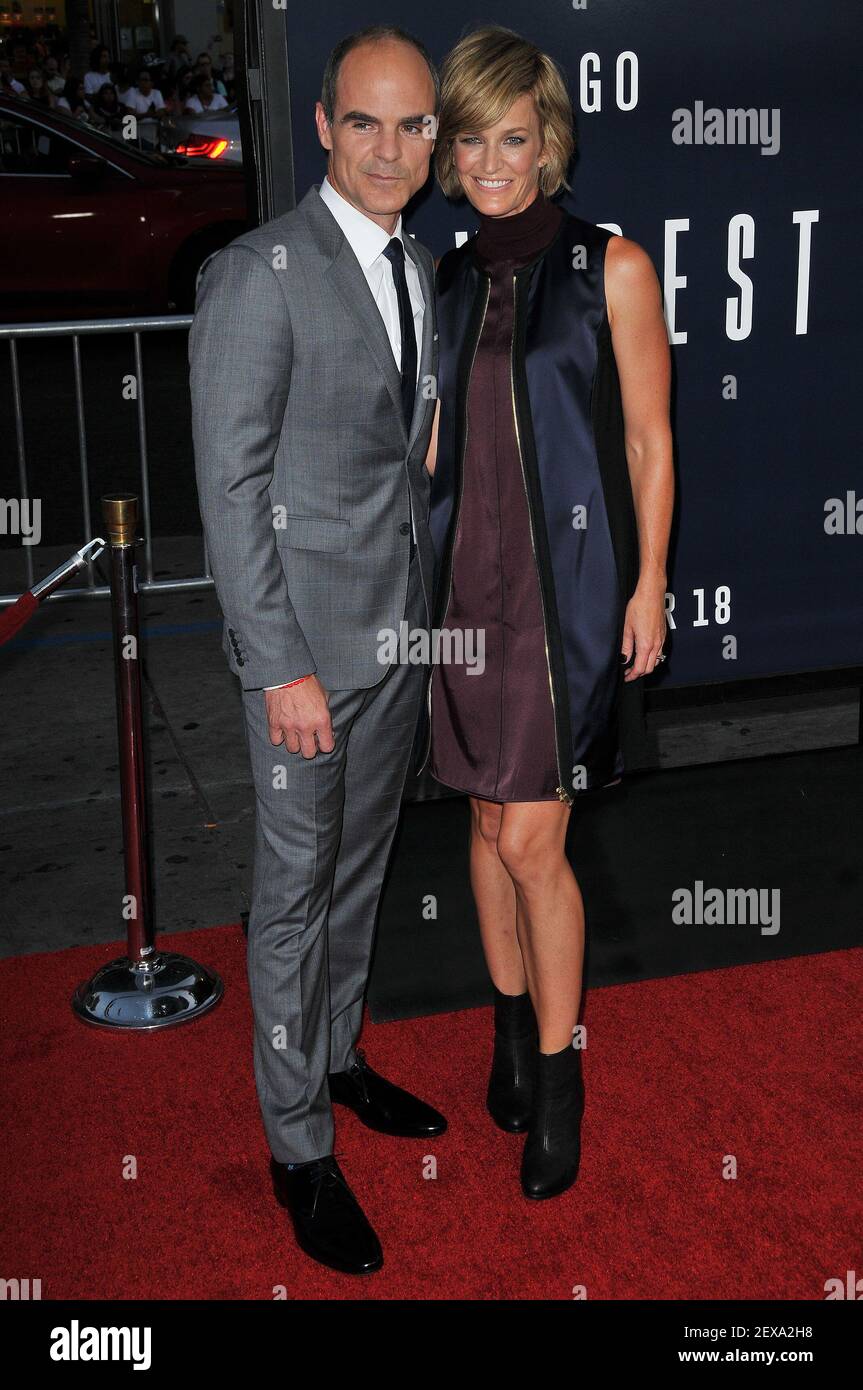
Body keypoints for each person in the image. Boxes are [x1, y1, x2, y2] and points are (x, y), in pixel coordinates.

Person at [189, 25, 444, 1277]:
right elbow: (230, 491)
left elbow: (408, 446)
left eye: (415, 126)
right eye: (368, 123)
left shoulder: (417, 265)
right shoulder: (261, 272)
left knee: (361, 867)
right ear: (325, 126)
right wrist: (274, 662)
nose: (391, 148)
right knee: (291, 898)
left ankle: (337, 1059)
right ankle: (297, 1146)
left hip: (396, 635)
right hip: (302, 657)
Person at [422, 25, 674, 1200]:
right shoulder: (444, 273)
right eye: (469, 139)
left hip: (566, 599)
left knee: (533, 841)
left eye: (510, 138)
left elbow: (646, 441)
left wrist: (647, 583)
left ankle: (560, 1071)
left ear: (547, 140)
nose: (488, 161)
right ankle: (508, 1027)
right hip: (461, 591)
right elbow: (427, 447)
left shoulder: (610, 266)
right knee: (481, 828)